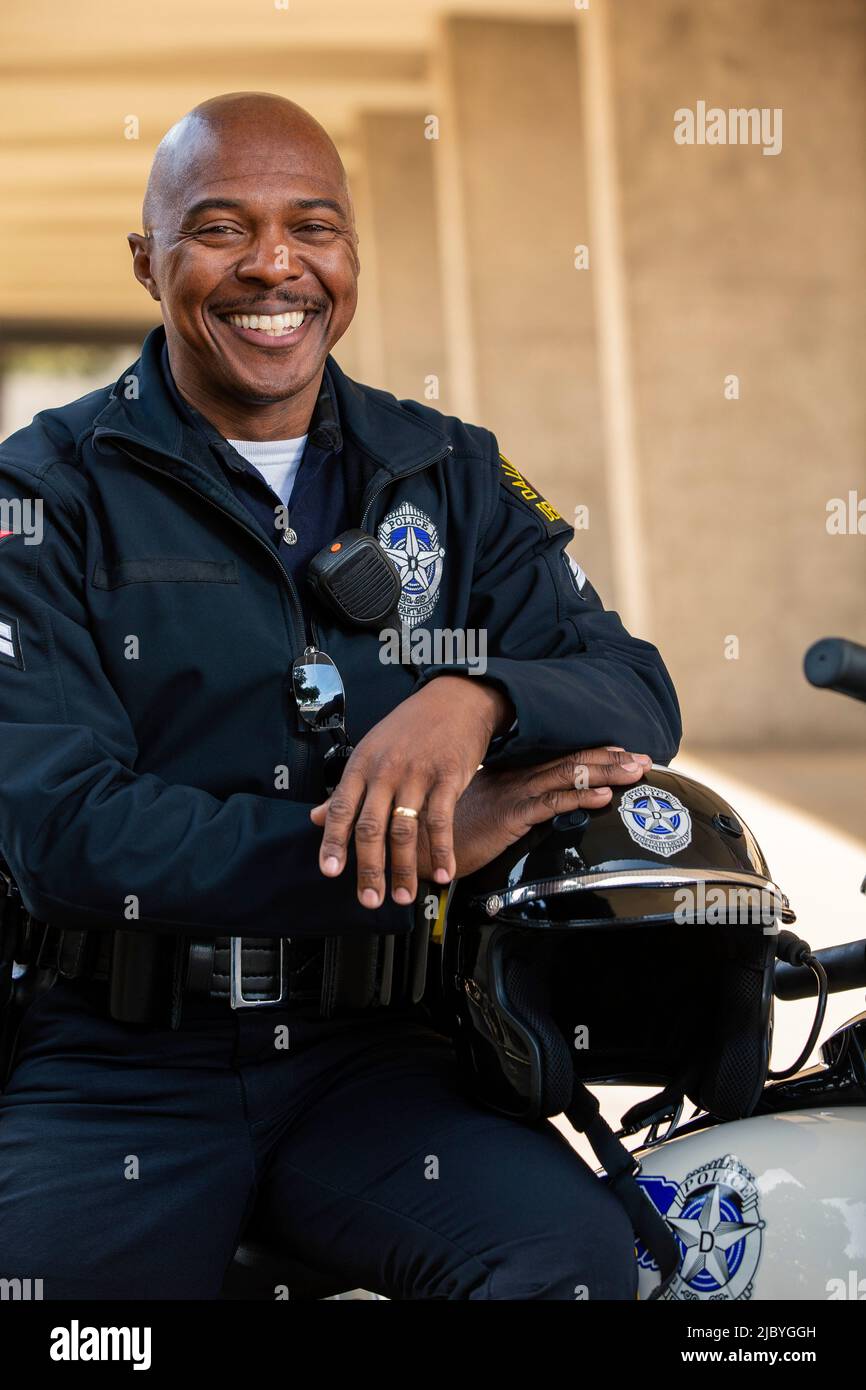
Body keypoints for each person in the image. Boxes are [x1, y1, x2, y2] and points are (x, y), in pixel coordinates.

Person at [0, 92, 681, 1300]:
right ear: (147, 261)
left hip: (377, 1057)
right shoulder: (41, 493)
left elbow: (633, 686)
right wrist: (414, 844)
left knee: (567, 1266)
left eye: (311, 226)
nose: (274, 265)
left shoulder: (448, 470)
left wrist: (478, 696)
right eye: (219, 228)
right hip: (119, 1059)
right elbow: (68, 829)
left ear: (349, 254)